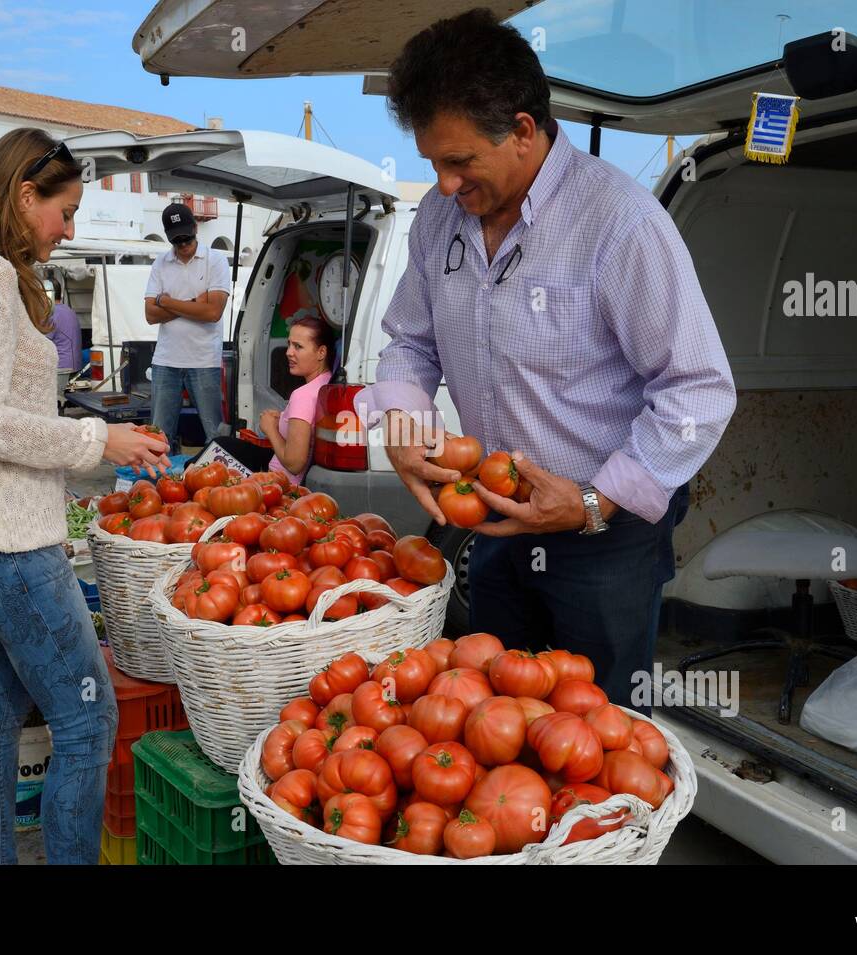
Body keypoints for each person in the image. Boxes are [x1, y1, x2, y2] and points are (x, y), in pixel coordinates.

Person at [370, 9, 737, 714]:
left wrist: (595, 502)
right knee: (498, 721)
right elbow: (410, 342)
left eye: (460, 162)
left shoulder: (619, 222)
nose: (444, 186)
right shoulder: (438, 223)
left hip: (606, 536)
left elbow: (698, 390)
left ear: (524, 131)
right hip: (499, 518)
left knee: (597, 735)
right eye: (433, 165)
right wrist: (407, 425)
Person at [0, 126, 171, 864]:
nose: (67, 230)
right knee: (87, 721)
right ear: (23, 193)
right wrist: (99, 440)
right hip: (14, 542)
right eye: (63, 212)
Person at [144, 201, 232, 455]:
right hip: (166, 359)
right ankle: (162, 488)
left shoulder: (215, 260)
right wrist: (195, 303)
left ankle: (214, 487)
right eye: (177, 241)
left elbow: (213, 312)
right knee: (159, 437)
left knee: (215, 435)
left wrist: (166, 301)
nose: (183, 245)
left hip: (204, 360)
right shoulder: (161, 263)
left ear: (195, 228)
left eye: (187, 238)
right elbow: (150, 315)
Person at [260, 316, 335, 485]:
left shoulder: (303, 395)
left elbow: (294, 464)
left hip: (280, 485)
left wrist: (270, 428)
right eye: (289, 344)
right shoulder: (326, 382)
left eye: (298, 347)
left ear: (321, 353)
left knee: (219, 446)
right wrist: (284, 418)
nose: (288, 352)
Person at [47, 283, 81, 371]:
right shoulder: (69, 310)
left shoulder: (52, 314)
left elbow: (40, 342)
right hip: (75, 365)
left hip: (61, 367)